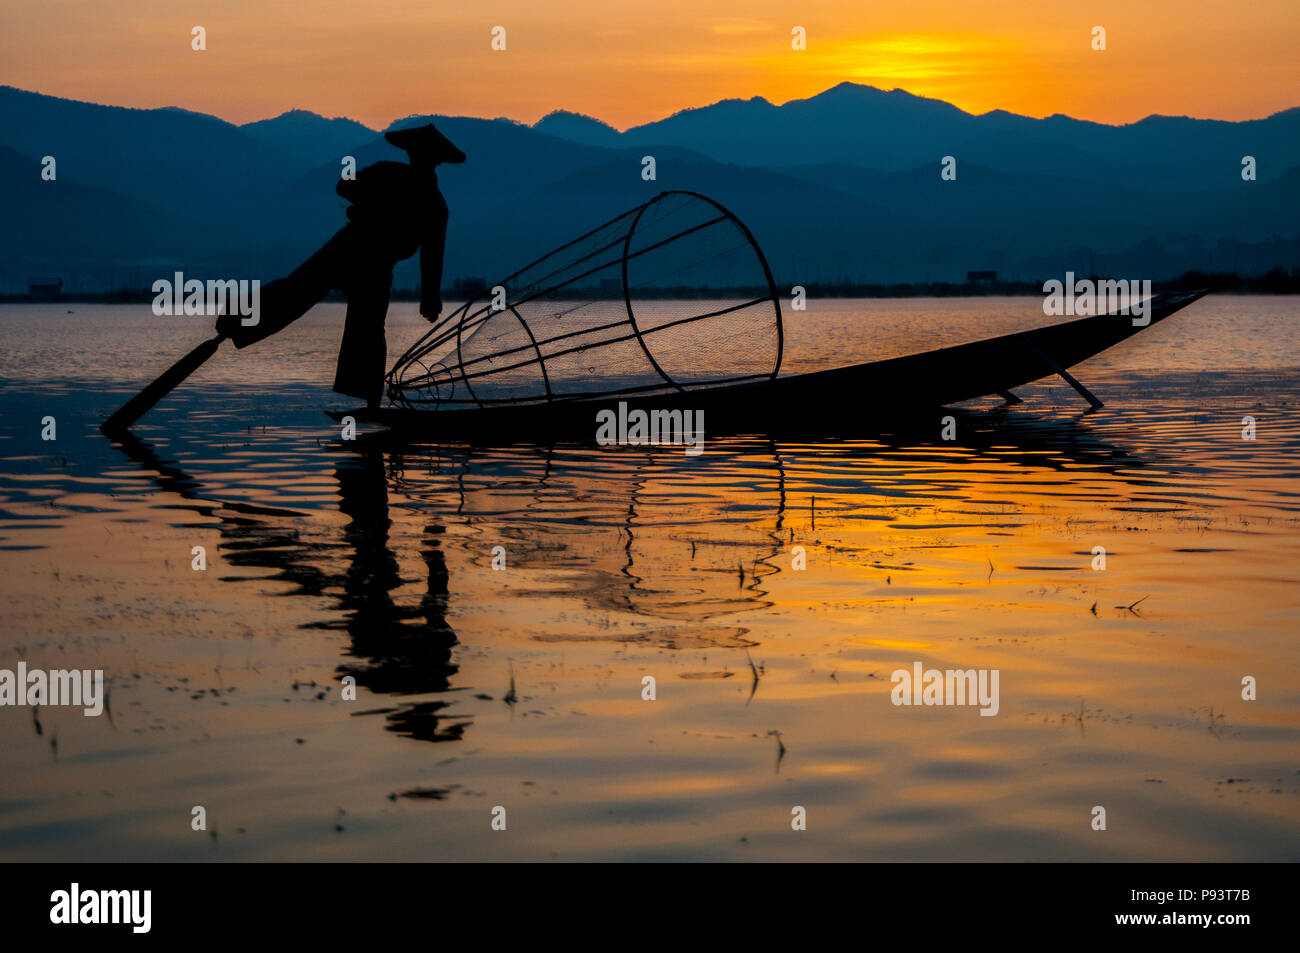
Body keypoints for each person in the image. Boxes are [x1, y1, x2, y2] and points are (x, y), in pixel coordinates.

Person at [216, 123, 465, 408]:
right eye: (418, 153)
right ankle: (234, 322)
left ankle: (371, 402)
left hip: (373, 263)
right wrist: (369, 202)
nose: (419, 158)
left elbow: (432, 256)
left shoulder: (431, 202)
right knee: (299, 291)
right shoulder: (395, 178)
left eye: (424, 155)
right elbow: (345, 184)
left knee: (365, 326)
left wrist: (429, 300)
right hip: (351, 248)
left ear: (433, 159)